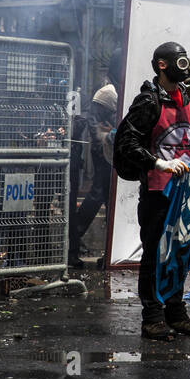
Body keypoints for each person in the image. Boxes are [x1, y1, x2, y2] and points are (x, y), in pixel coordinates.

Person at [114, 41, 190, 338]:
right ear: (162, 64)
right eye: (180, 62)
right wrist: (160, 165)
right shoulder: (148, 102)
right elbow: (126, 144)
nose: (185, 67)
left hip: (184, 192)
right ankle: (152, 318)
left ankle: (176, 313)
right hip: (158, 193)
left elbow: (184, 141)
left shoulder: (186, 97)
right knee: (154, 254)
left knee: (180, 253)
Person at [69, 54, 122, 268]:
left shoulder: (122, 89)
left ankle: (108, 251)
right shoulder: (107, 92)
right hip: (105, 152)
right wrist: (101, 146)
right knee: (99, 195)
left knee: (110, 199)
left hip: (116, 151)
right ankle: (73, 240)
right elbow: (94, 121)